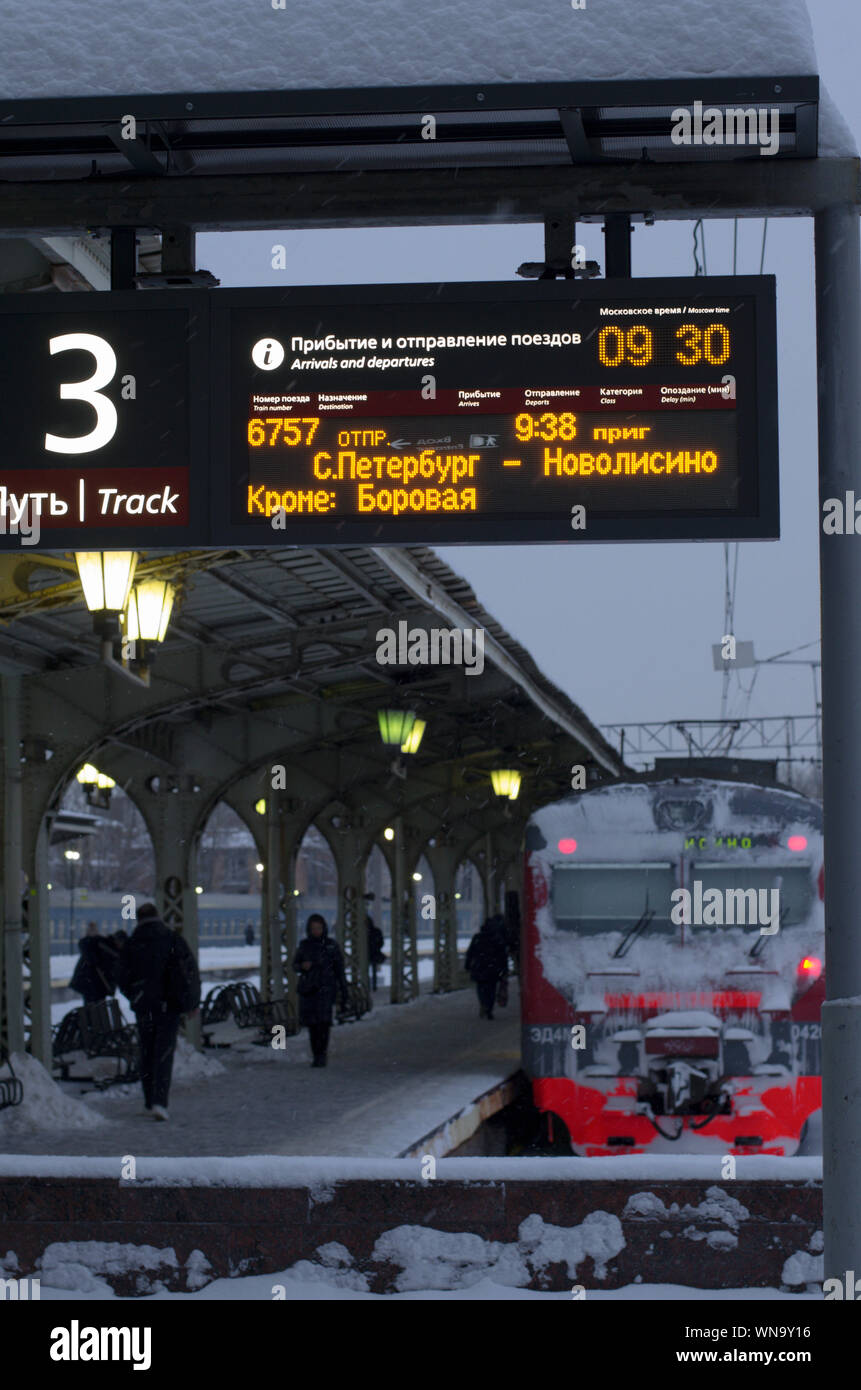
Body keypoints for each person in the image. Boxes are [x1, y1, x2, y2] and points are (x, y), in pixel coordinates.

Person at [115, 902, 201, 1121]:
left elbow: (121, 976)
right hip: (168, 1008)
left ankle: (147, 1101)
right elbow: (189, 972)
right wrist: (190, 1003)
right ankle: (160, 1103)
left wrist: (136, 996)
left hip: (144, 1008)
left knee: (146, 1053)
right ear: (158, 917)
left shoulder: (132, 943)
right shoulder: (172, 939)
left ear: (138, 919)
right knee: (163, 1054)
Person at [292, 913, 347, 1067]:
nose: (317, 931)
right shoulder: (304, 945)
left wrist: (343, 989)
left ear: (324, 928)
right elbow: (294, 965)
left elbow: (339, 969)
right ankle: (317, 1053)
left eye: (319, 928)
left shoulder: (331, 946)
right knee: (313, 1025)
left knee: (323, 1023)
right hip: (309, 991)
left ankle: (321, 1054)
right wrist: (302, 966)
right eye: (314, 928)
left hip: (326, 990)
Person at [465, 915, 509, 1020]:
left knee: (481, 989)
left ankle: (483, 1004)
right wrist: (504, 969)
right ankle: (489, 1008)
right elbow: (502, 956)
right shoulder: (497, 939)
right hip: (493, 969)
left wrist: (467, 965)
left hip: (479, 968)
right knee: (491, 990)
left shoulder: (477, 938)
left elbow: (470, 953)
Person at [70, 922, 117, 1005]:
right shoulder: (100, 945)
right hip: (98, 983)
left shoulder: (87, 946)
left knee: (91, 1006)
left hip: (90, 983)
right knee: (98, 1006)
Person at [366, 911, 385, 991]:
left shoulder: (363, 933)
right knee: (373, 970)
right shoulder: (377, 931)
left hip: (367, 954)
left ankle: (367, 986)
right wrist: (376, 948)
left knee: (365, 971)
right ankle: (374, 986)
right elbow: (381, 942)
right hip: (374, 953)